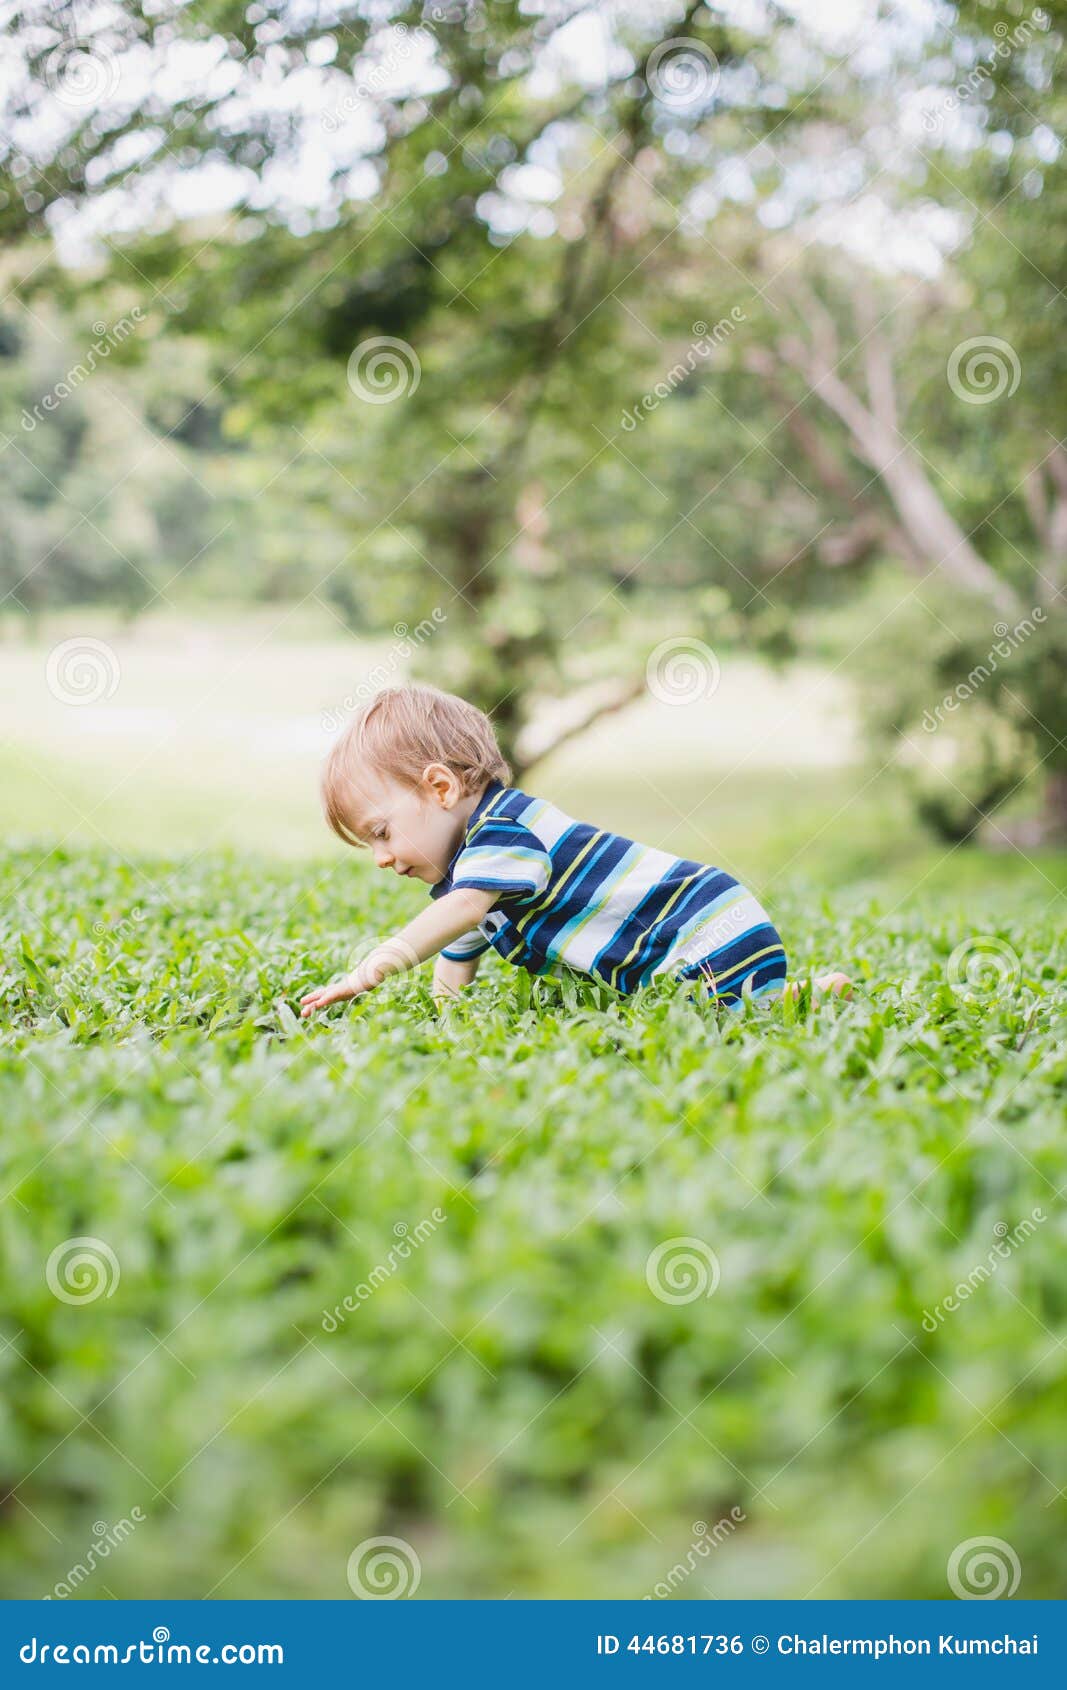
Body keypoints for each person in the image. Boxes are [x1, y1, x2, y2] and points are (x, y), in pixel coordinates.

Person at [300, 684, 850, 1017]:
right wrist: (450, 1019)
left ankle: (799, 999)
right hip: (697, 934)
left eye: (380, 833)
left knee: (718, 1021)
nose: (380, 858)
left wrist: (374, 967)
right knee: (711, 1011)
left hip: (703, 932)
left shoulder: (506, 830)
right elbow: (460, 944)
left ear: (441, 788)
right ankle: (805, 994)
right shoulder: (478, 866)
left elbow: (461, 912)